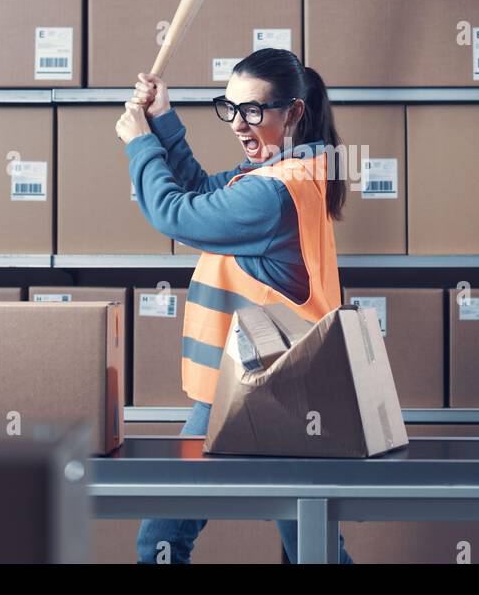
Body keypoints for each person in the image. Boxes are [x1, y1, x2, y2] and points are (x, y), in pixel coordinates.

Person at [114, 47, 354, 564]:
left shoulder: (272, 194)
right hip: (271, 389)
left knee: (163, 539)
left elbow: (177, 213)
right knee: (311, 549)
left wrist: (139, 146)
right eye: (230, 108)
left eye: (254, 112)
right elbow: (200, 188)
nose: (239, 125)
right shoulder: (289, 173)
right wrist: (161, 121)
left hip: (258, 394)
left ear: (294, 112)